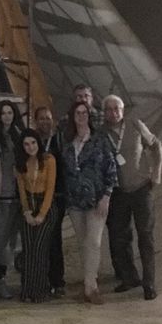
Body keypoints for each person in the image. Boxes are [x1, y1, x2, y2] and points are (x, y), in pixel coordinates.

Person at [102, 94, 162, 300]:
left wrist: (156, 173)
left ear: (123, 110)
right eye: (109, 109)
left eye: (117, 108)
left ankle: (150, 283)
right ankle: (129, 277)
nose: (114, 112)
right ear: (104, 112)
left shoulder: (135, 125)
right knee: (120, 236)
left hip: (140, 189)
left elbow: (156, 145)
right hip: (118, 192)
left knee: (145, 235)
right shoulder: (101, 134)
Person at [61, 99, 117, 305]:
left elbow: (110, 168)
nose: (81, 116)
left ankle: (91, 286)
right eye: (78, 113)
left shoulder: (99, 140)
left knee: (94, 241)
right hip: (75, 200)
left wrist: (107, 195)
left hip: (96, 198)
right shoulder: (68, 142)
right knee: (83, 243)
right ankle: (88, 281)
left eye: (85, 113)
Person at [15, 128, 57, 302]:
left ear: (38, 143)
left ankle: (39, 290)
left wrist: (41, 214)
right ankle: (27, 290)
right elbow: (22, 191)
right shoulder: (20, 163)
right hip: (28, 206)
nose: (30, 147)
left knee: (39, 250)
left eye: (33, 143)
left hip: (45, 206)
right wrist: (26, 212)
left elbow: (50, 189)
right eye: (26, 144)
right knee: (29, 250)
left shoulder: (48, 160)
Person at [0, 100, 25, 300]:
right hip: (0, 196)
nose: (7, 116)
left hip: (17, 196)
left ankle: (7, 277)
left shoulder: (19, 135)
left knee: (12, 242)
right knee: (0, 241)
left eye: (10, 112)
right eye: (3, 113)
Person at [34, 105, 67, 297]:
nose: (45, 122)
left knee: (55, 239)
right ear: (35, 121)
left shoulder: (59, 141)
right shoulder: (32, 141)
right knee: (39, 240)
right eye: (41, 118)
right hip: (37, 197)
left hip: (56, 197)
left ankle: (57, 280)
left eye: (48, 118)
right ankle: (39, 279)